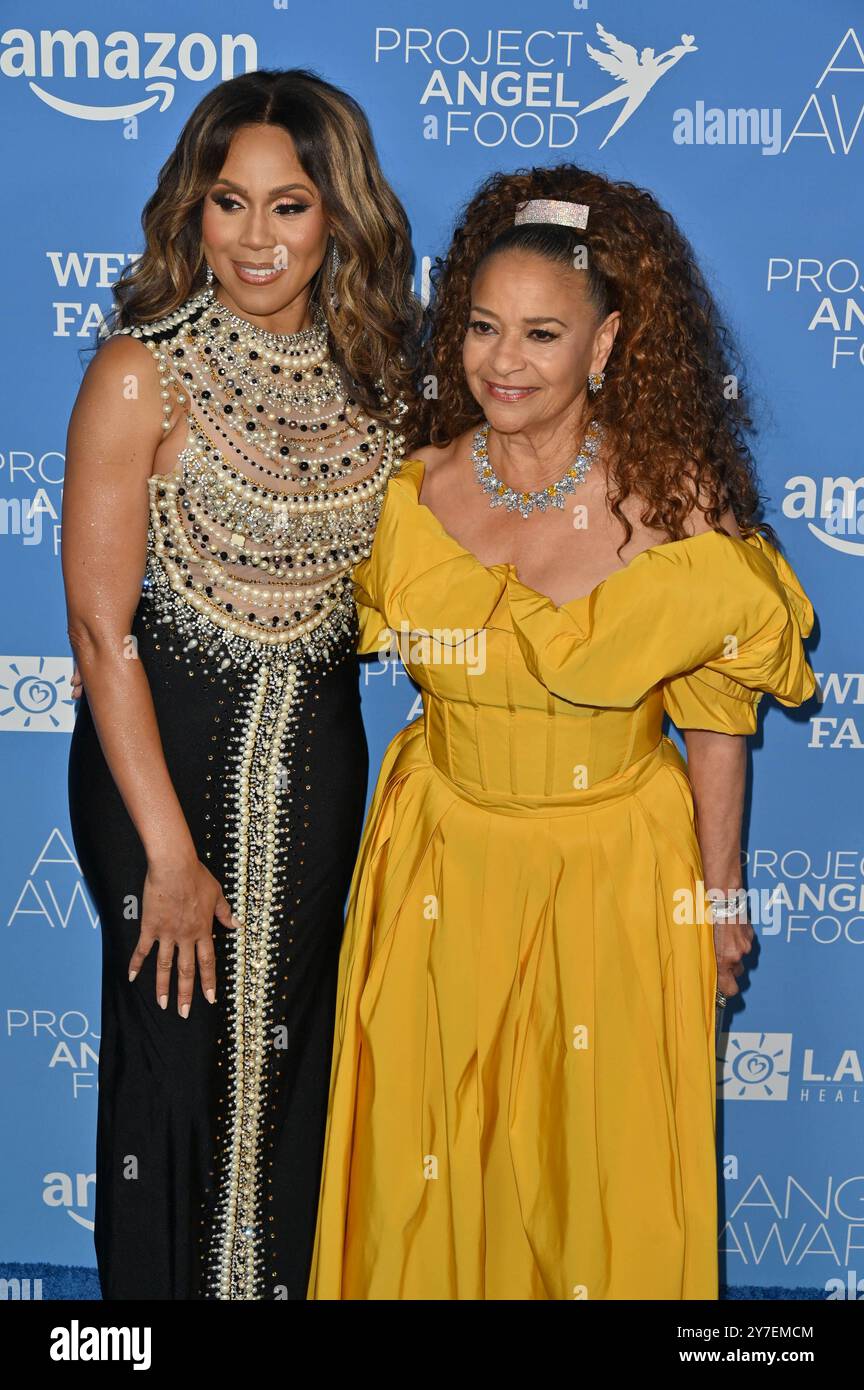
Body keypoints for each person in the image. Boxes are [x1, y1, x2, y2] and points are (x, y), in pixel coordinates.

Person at [307, 167, 816, 1300]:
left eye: (543, 334)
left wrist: (719, 897)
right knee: (426, 1165)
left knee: (598, 1172)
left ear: (606, 344)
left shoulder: (674, 504)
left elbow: (716, 714)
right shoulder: (413, 492)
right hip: (438, 858)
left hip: (615, 871)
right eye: (483, 327)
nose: (504, 361)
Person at [62, 68, 419, 1300]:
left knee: (290, 1054)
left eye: (290, 205)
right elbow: (99, 634)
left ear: (338, 216)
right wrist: (167, 854)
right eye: (229, 202)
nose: (256, 237)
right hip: (154, 765)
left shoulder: (384, 378)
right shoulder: (139, 371)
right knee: (172, 1064)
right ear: (192, 210)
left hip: (317, 759)